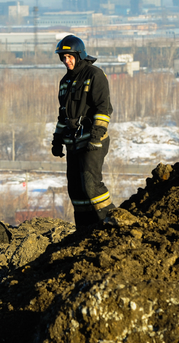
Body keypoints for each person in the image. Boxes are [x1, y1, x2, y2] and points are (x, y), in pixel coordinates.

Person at [51, 35, 116, 228]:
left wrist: (96, 136)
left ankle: (112, 222)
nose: (66, 61)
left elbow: (103, 108)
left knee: (91, 185)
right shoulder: (65, 82)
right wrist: (57, 140)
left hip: (92, 140)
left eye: (69, 56)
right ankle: (85, 230)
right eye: (63, 57)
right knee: (76, 190)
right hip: (73, 143)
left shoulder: (94, 75)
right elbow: (63, 115)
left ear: (79, 55)